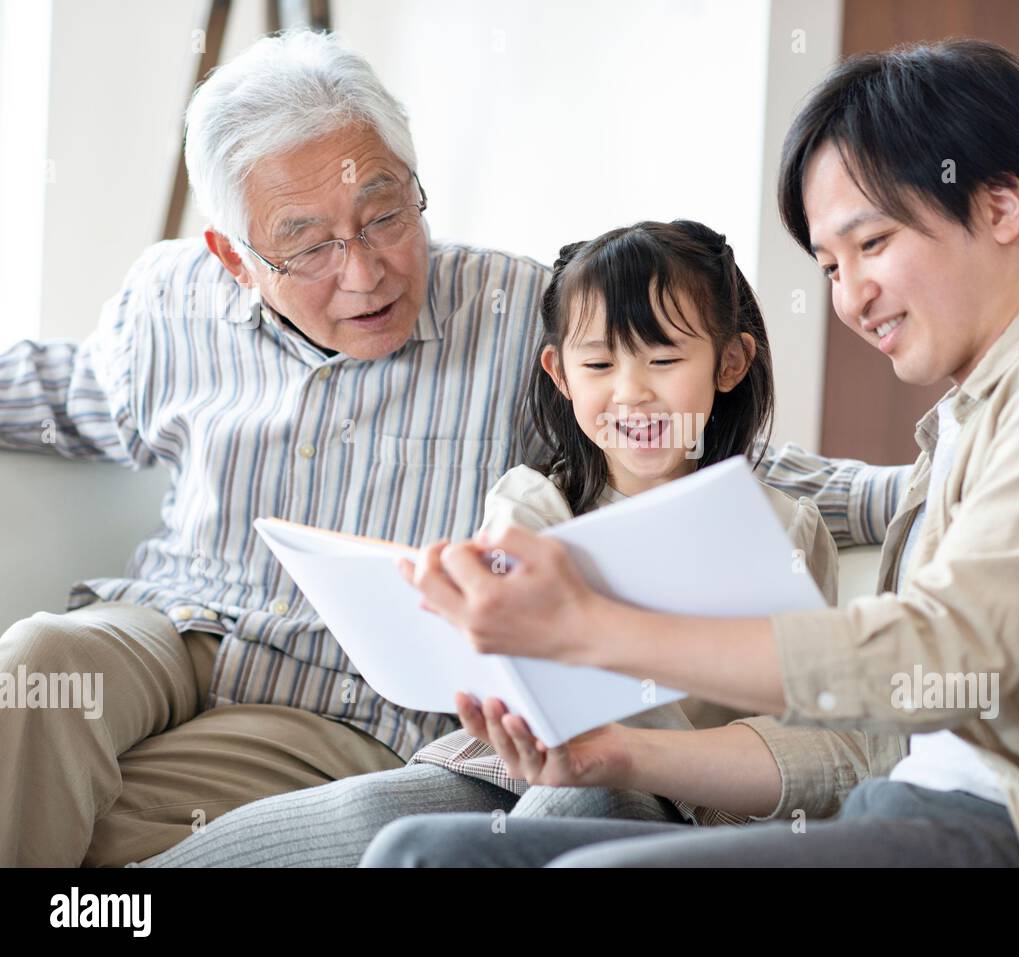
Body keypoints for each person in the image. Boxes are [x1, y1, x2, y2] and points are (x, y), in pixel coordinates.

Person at [0, 30, 904, 867]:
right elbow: (64, 392)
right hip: (175, 625)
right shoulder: (170, 301)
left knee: (93, 832)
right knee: (33, 665)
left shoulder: (521, 313)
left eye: (384, 216)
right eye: (306, 246)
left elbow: (675, 448)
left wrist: (947, 484)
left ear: (414, 179)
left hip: (341, 698)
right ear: (233, 257)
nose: (363, 271)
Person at [364, 38, 1019, 868]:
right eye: (831, 267)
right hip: (897, 809)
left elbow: (940, 653)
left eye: (871, 242)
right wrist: (615, 753)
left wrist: (587, 626)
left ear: (1000, 204)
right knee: (426, 852)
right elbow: (870, 736)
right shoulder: (960, 427)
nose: (850, 297)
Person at [139, 220, 904, 868]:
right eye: (599, 363)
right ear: (560, 375)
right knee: (377, 810)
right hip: (497, 763)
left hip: (669, 799)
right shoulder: (533, 499)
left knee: (578, 797)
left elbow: (812, 727)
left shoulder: (781, 526)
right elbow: (500, 634)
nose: (631, 391)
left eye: (664, 360)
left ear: (729, 363)